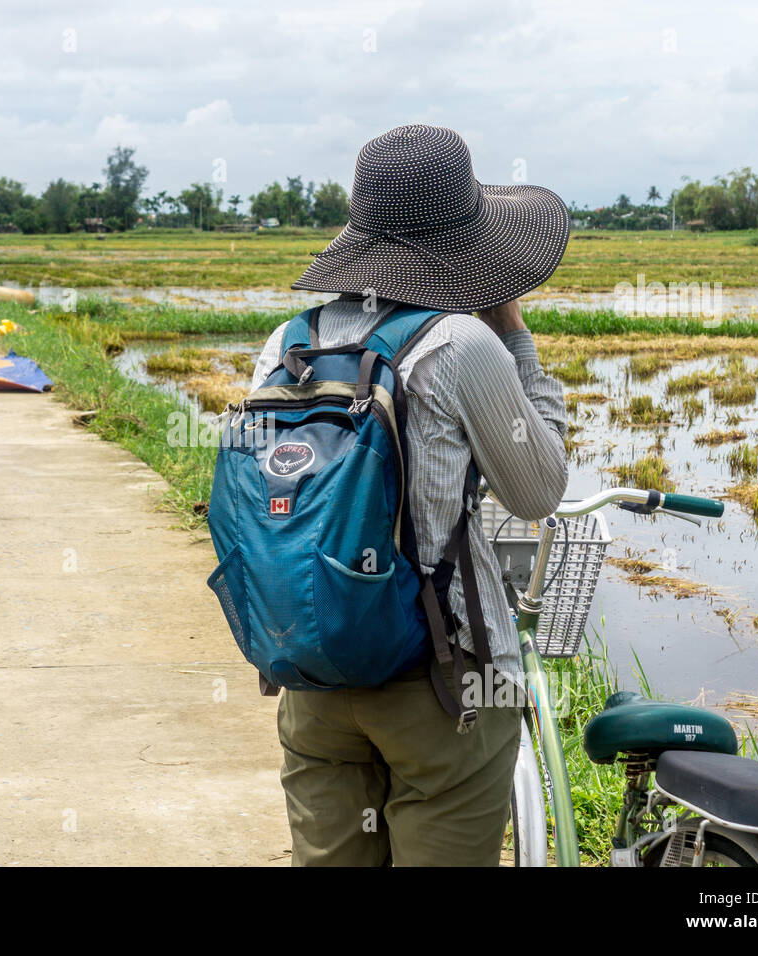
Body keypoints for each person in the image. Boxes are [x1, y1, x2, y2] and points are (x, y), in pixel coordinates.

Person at [250, 124, 570, 866]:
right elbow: (539, 490)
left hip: (313, 669)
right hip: (443, 686)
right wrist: (516, 335)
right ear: (466, 244)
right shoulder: (462, 343)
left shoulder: (287, 344)